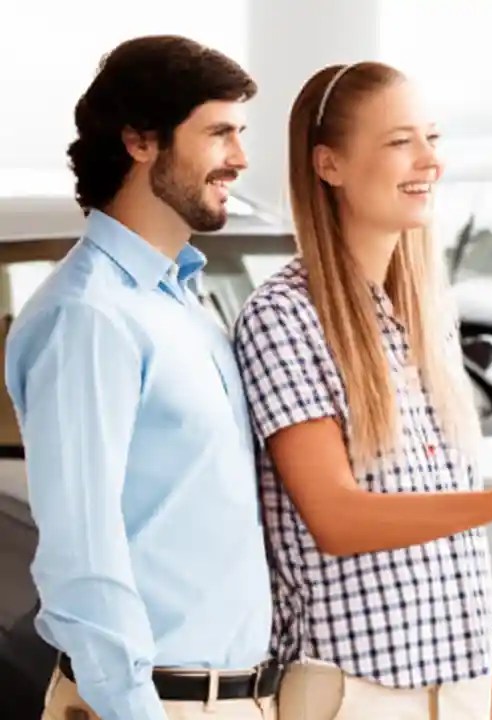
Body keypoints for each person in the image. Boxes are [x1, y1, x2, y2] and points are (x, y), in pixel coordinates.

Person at [231, 61, 492, 720]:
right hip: (355, 696)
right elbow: (338, 520)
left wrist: (486, 682)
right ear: (329, 165)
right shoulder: (284, 316)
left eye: (432, 138)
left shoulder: (423, 316)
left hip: (454, 692)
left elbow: (445, 553)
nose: (430, 160)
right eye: (401, 141)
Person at [4, 36, 278, 720]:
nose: (240, 159)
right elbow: (81, 557)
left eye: (240, 134)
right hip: (157, 704)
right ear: (140, 141)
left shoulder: (183, 302)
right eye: (219, 134)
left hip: (239, 699)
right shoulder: (88, 315)